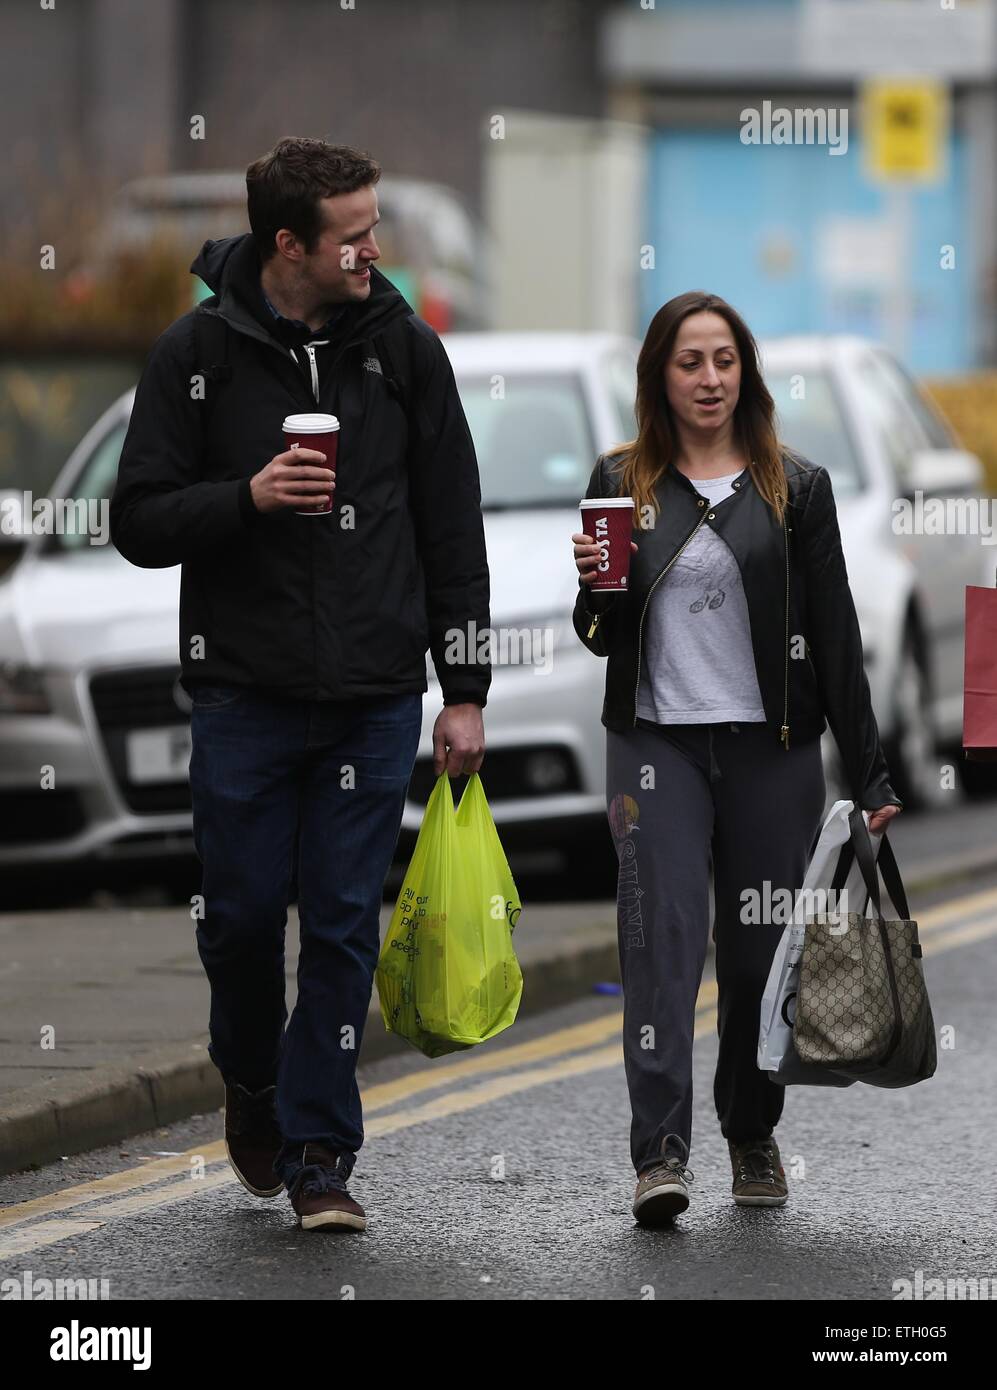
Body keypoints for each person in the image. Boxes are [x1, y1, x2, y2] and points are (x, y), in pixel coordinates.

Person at [110, 137, 489, 1233]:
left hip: (373, 693)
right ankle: (253, 1083)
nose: (376, 249)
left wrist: (461, 685)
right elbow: (136, 520)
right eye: (355, 234)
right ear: (289, 244)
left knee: (339, 926)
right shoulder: (197, 353)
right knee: (236, 921)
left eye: (375, 225)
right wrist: (250, 496)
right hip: (241, 692)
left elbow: (450, 524)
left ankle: (322, 1153)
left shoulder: (404, 352)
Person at [570, 291, 902, 1227]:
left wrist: (871, 775)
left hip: (773, 751)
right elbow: (597, 634)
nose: (709, 379)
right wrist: (598, 583)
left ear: (744, 373)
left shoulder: (794, 487)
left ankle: (750, 1133)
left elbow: (833, 638)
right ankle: (659, 1155)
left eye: (723, 361)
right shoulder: (619, 476)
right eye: (689, 362)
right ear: (659, 378)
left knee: (758, 962)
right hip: (654, 748)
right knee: (660, 951)